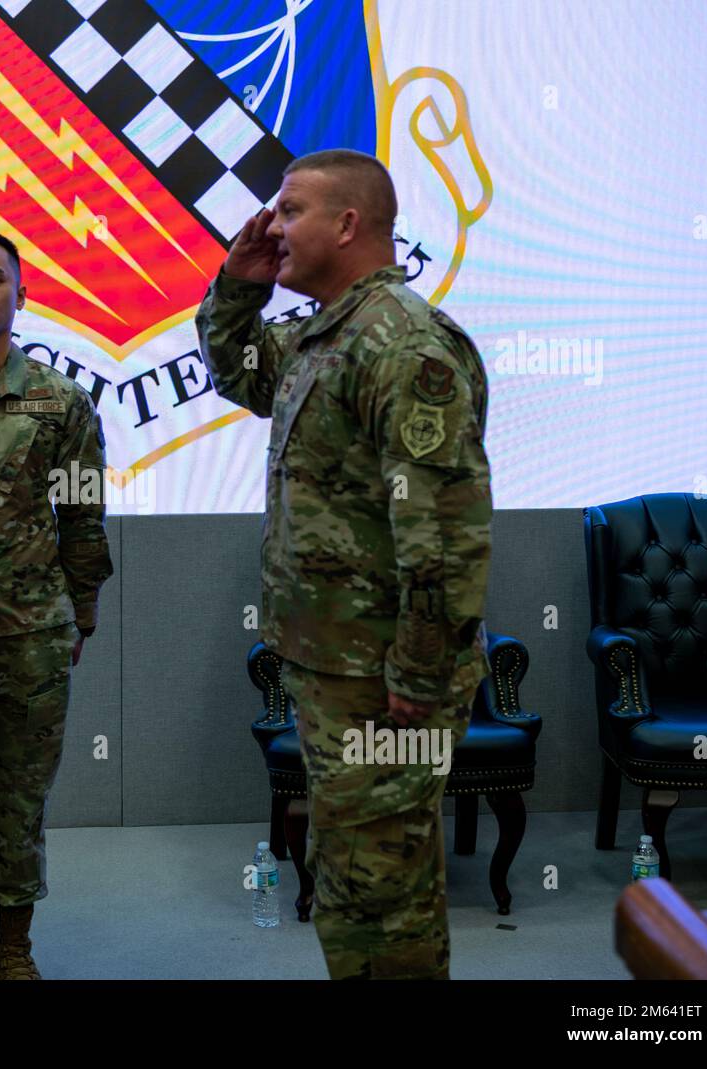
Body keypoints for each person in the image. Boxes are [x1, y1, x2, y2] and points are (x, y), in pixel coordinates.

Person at [195, 149, 492, 980]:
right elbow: (236, 370)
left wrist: (421, 670)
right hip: (336, 667)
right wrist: (241, 283)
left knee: (380, 886)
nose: (273, 227)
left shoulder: (404, 348)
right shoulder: (324, 336)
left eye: (290, 212)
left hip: (385, 679)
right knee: (354, 876)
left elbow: (443, 531)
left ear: (349, 224)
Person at [0, 229, 113, 980]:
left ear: (21, 293)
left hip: (32, 636)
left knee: (20, 799)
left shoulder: (60, 402)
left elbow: (83, 517)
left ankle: (15, 945)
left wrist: (82, 613)